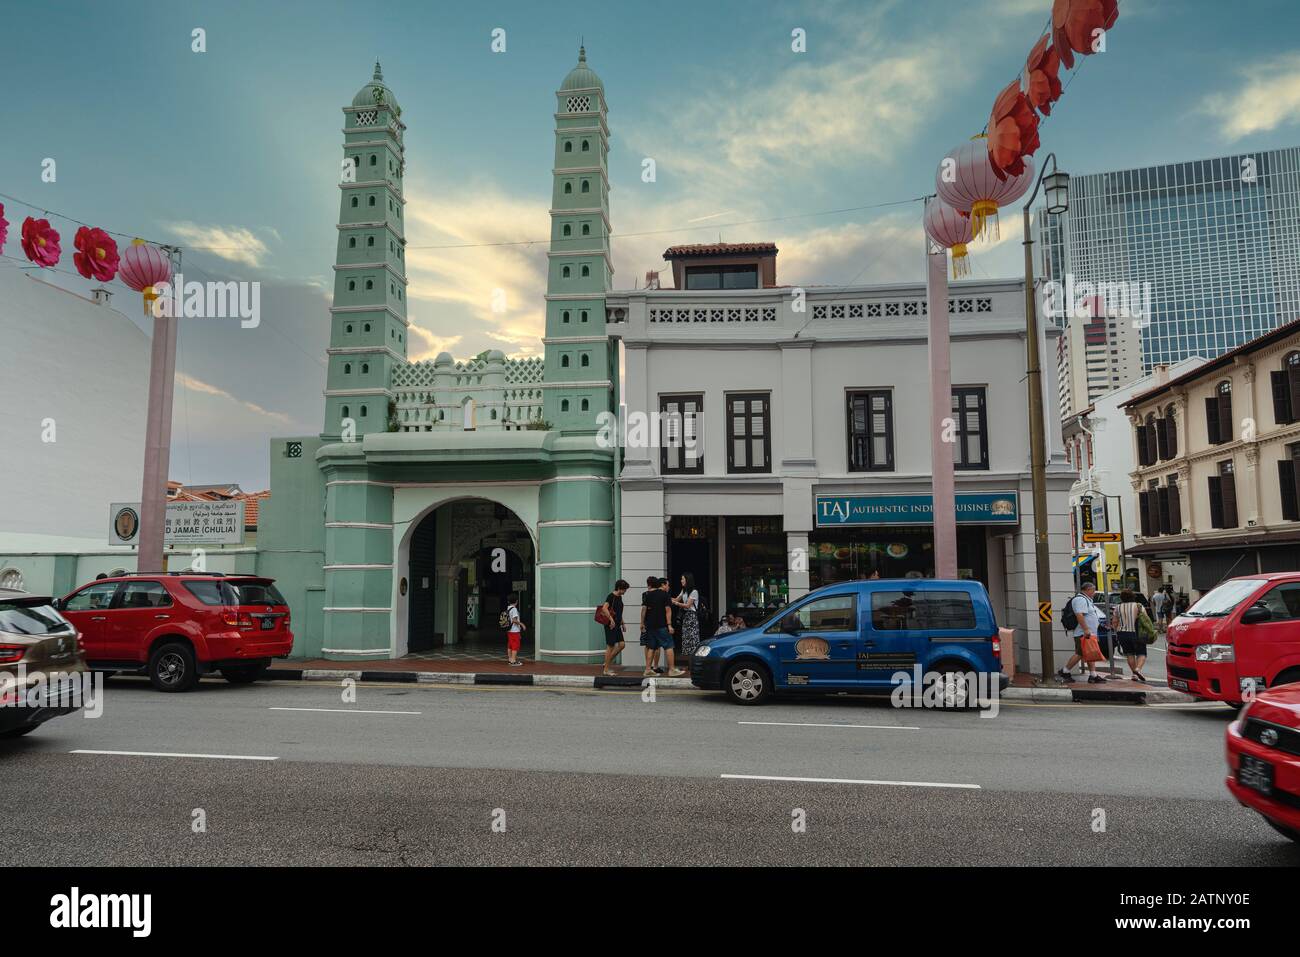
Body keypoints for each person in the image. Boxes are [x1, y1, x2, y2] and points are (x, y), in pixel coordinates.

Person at [1055, 581, 1106, 684]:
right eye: (1093, 590)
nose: (1094, 592)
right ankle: (1065, 671)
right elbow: (1079, 615)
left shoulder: (1086, 599)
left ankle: (1093, 675)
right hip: (1082, 633)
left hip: (1088, 632)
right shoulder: (1080, 600)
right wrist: (1086, 629)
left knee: (1091, 652)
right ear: (1087, 590)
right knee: (1080, 653)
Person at [641, 577, 681, 677]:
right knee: (669, 646)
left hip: (650, 625)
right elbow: (668, 610)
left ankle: (647, 670)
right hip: (662, 625)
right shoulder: (665, 595)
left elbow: (644, 610)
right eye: (667, 585)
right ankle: (672, 669)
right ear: (663, 585)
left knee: (651, 647)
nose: (668, 587)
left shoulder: (648, 594)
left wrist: (642, 623)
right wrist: (669, 625)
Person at [1110, 588, 1151, 682]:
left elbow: (1115, 621)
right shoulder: (1139, 606)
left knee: (1129, 654)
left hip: (1122, 633)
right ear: (1133, 596)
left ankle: (1134, 674)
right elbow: (1146, 620)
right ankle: (1137, 670)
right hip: (1137, 633)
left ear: (1121, 598)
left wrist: (1116, 632)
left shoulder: (1118, 607)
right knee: (1141, 653)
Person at [600, 579, 629, 676]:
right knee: (610, 646)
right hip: (610, 625)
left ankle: (606, 663)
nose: (625, 591)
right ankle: (606, 670)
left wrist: (623, 623)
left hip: (617, 624)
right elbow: (604, 608)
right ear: (619, 588)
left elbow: (618, 612)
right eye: (624, 589)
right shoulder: (611, 596)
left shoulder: (619, 597)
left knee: (621, 645)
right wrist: (611, 619)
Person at [673, 572, 701, 658]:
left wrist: (676, 603)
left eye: (682, 579)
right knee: (686, 639)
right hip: (686, 616)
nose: (681, 581)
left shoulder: (694, 591)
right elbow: (676, 599)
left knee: (692, 639)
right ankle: (688, 664)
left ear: (687, 580)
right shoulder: (684, 590)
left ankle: (692, 664)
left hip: (691, 617)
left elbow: (688, 605)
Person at [638, 576, 662, 675]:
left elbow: (644, 609)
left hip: (648, 622)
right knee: (656, 646)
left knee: (648, 645)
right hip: (659, 622)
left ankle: (649, 666)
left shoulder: (645, 595)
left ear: (649, 584)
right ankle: (654, 666)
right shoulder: (661, 594)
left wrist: (642, 622)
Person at [505, 592, 524, 667]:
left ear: (508, 601)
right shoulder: (514, 609)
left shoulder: (508, 608)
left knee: (510, 645)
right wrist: (522, 624)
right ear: (516, 601)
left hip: (509, 630)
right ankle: (513, 661)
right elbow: (514, 620)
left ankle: (510, 659)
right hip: (514, 630)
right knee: (515, 645)